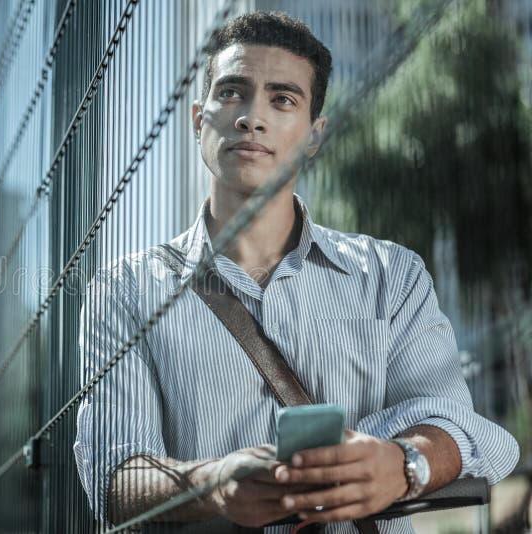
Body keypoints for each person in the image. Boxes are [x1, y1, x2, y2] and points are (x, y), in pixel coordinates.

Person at [73, 11, 519, 533]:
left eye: (282, 99)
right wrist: (215, 483)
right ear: (199, 119)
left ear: (313, 136)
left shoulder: (391, 276)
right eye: (232, 92)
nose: (251, 117)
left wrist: (402, 465)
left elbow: (456, 423)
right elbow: (113, 478)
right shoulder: (124, 291)